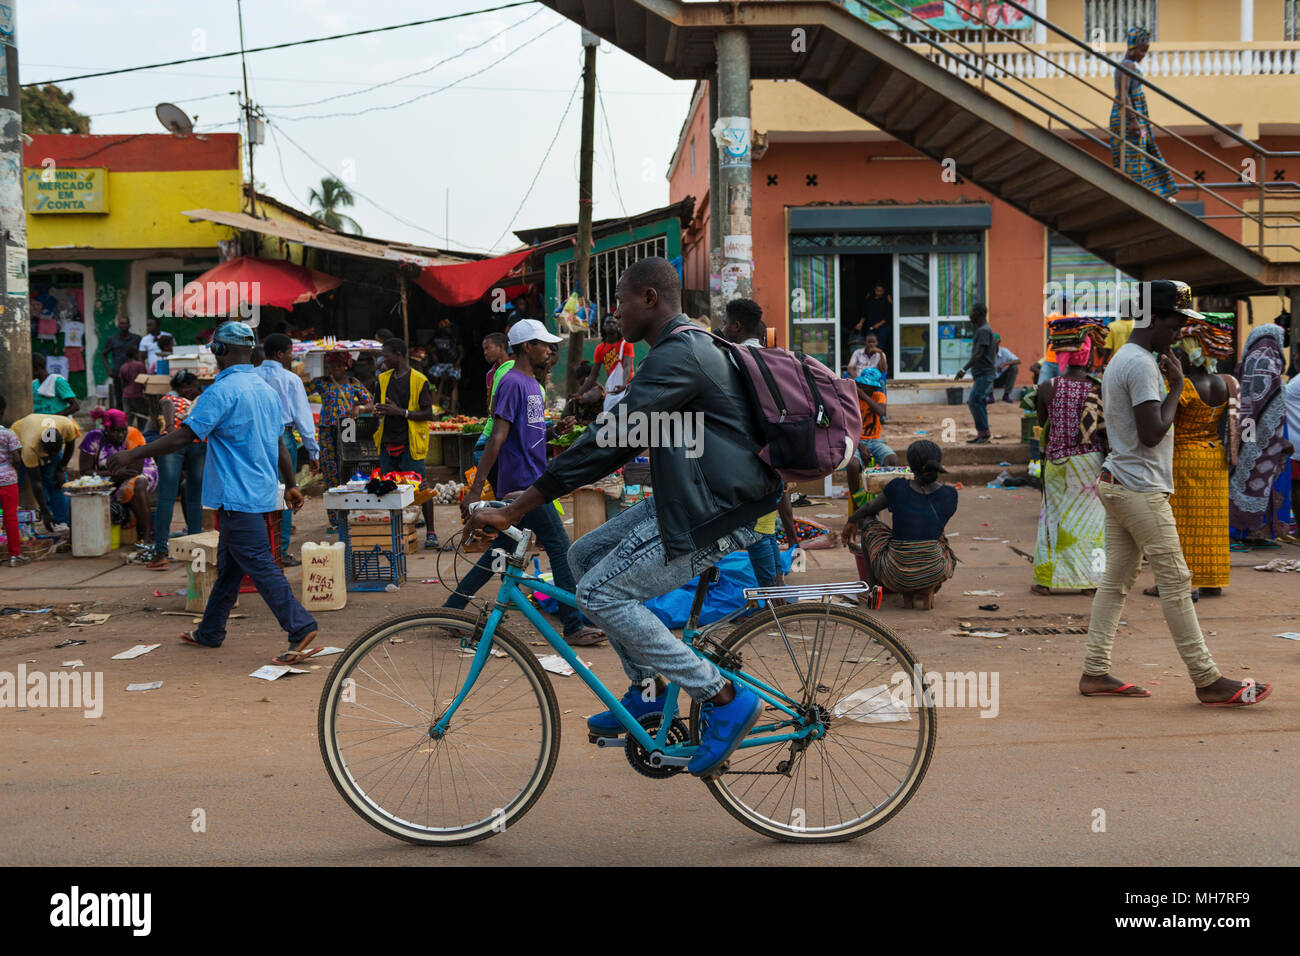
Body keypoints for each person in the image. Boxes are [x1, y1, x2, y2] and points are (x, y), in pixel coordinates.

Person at [467, 257, 782, 779]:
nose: (614, 312)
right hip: (694, 498)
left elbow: (614, 438)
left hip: (719, 510)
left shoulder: (680, 353)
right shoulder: (681, 348)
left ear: (650, 299)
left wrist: (521, 506)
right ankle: (650, 693)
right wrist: (534, 492)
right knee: (582, 554)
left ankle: (722, 696)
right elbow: (617, 439)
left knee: (597, 593)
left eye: (620, 300)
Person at [1080, 280, 1268, 706]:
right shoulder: (1143, 365)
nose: (1181, 330)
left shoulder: (1123, 358)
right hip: (1139, 487)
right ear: (1154, 318)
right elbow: (1151, 434)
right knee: (1177, 579)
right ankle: (1207, 680)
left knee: (1116, 581)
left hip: (1119, 481)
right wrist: (1178, 387)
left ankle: (1095, 672)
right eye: (1176, 321)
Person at [109, 321, 321, 665]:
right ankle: (210, 631)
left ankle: (300, 626)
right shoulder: (265, 390)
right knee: (230, 568)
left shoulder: (221, 393)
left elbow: (182, 438)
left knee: (258, 564)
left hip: (237, 495)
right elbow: (281, 443)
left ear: (220, 351)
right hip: (259, 490)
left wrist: (133, 453)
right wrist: (291, 484)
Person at [446, 319, 604, 645]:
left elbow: (527, 436)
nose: (549, 350)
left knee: (501, 549)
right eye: (543, 344)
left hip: (535, 478)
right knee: (560, 546)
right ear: (527, 347)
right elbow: (498, 437)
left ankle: (452, 609)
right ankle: (573, 625)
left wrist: (553, 432)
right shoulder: (513, 383)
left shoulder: (534, 385)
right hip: (523, 484)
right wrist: (476, 487)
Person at [1142, 326, 1235, 601]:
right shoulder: (1223, 383)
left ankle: (1175, 581)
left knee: (1180, 524)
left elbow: (1163, 419)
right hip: (1214, 456)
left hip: (1184, 457)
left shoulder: (1182, 387)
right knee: (1212, 522)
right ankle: (1212, 580)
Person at [720, 299, 802, 591]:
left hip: (749, 454)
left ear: (738, 326)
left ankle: (772, 596)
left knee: (754, 527)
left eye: (726, 321)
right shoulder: (770, 356)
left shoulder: (735, 358)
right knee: (764, 524)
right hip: (774, 449)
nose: (723, 326)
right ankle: (775, 589)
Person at [1031, 338, 1105, 595]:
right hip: (1090, 462)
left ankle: (1045, 582)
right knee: (1092, 523)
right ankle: (1091, 582)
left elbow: (1044, 426)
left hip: (1057, 461)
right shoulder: (1099, 388)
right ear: (1087, 356)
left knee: (1051, 518)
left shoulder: (1046, 387)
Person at [843, 440, 958, 597]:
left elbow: (869, 509)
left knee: (867, 521)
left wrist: (851, 520)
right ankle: (928, 585)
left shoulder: (898, 487)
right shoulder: (950, 494)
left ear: (909, 466)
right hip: (936, 571)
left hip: (895, 574)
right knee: (941, 536)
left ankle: (872, 589)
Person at [356, 338, 438, 549]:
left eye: (387, 355)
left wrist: (400, 412)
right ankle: (396, 532)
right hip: (387, 441)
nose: (383, 359)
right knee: (388, 489)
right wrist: (376, 411)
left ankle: (431, 532)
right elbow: (377, 405)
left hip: (411, 443)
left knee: (421, 488)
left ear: (399, 355)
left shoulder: (419, 380)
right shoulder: (382, 379)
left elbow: (428, 413)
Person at [254, 333, 321, 566]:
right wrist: (313, 452)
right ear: (280, 354)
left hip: (255, 438)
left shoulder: (251, 376)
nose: (292, 356)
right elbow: (303, 419)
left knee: (260, 492)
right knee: (287, 492)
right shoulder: (290, 379)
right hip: (282, 437)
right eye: (290, 351)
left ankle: (261, 549)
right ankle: (279, 552)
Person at [1229, 323, 1293, 548]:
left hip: (1263, 434)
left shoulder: (1258, 358)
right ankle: (1241, 532)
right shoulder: (1264, 359)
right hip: (1262, 434)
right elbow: (1261, 400)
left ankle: (1256, 534)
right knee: (1253, 481)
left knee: (1261, 483)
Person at [306, 350, 373, 530]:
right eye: (332, 365)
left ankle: (351, 514)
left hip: (347, 429)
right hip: (327, 430)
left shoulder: (353, 383)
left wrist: (359, 408)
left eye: (338, 365)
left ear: (346, 366)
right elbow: (301, 390)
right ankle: (335, 519)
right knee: (330, 470)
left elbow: (371, 403)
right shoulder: (322, 383)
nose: (335, 369)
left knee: (349, 468)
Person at [1109, 26, 1177, 201]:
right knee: (1136, 155)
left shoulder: (1130, 65)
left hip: (1137, 118)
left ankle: (1159, 192)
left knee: (1145, 151)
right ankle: (1146, 195)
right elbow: (1123, 96)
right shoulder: (1126, 66)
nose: (1143, 54)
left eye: (1145, 51)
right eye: (1142, 50)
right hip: (1130, 119)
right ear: (1132, 47)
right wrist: (1133, 121)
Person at [147, 372, 206, 570]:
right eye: (190, 386)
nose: (193, 390)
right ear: (181, 387)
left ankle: (161, 553)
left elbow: (167, 407)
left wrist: (171, 428)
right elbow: (167, 406)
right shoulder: (172, 398)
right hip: (194, 442)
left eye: (195, 386)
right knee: (192, 498)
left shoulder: (192, 400)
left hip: (179, 444)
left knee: (168, 497)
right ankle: (195, 549)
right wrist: (171, 424)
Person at [80, 407, 157, 549]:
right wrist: (113, 475)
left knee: (137, 484)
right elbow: (85, 471)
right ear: (107, 429)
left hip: (144, 472)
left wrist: (115, 475)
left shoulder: (134, 435)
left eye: (123, 430)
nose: (121, 435)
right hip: (109, 477)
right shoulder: (93, 438)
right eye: (116, 431)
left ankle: (147, 534)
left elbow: (135, 470)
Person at [11, 411, 79, 532]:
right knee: (13, 484)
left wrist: (61, 468)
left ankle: (62, 521)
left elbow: (70, 445)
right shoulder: (29, 446)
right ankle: (5, 522)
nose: (51, 456)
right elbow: (36, 482)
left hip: (38, 432)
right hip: (19, 442)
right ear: (41, 445)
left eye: (55, 451)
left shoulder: (67, 426)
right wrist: (45, 511)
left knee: (56, 483)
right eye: (49, 452)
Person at [846, 367, 898, 512]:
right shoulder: (851, 398)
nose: (864, 388)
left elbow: (881, 413)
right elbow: (846, 425)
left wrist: (862, 394)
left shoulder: (878, 395)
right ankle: (858, 507)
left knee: (892, 460)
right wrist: (858, 445)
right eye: (862, 385)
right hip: (855, 441)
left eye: (868, 386)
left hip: (876, 440)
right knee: (852, 465)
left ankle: (884, 502)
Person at [954, 303, 995, 443]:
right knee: (978, 402)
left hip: (984, 374)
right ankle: (982, 434)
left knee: (974, 401)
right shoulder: (982, 330)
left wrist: (963, 369)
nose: (969, 315)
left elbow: (978, 354)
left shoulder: (983, 330)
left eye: (971, 312)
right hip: (983, 374)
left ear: (978, 313)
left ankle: (984, 434)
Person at [580, 315, 635, 414]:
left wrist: (623, 385)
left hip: (627, 387)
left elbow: (627, 366)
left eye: (614, 322)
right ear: (603, 326)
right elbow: (593, 375)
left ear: (618, 325)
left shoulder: (625, 344)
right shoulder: (600, 348)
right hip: (612, 388)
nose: (611, 325)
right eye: (608, 323)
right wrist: (579, 393)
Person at [474, 332, 514, 467]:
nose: (485, 353)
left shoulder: (512, 370)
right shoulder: (491, 374)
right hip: (492, 427)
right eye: (484, 349)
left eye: (488, 348)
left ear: (501, 347)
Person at [0, 395, 26, 566]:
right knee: (10, 517)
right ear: (2, 412)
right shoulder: (8, 434)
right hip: (8, 480)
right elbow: (16, 458)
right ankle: (14, 556)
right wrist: (13, 470)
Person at [101, 315, 141, 411]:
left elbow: (141, 354)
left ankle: (134, 420)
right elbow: (103, 354)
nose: (124, 325)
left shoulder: (137, 338)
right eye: (122, 323)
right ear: (118, 325)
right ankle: (120, 420)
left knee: (136, 397)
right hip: (118, 374)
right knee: (119, 398)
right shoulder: (112, 339)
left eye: (126, 323)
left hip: (135, 374)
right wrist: (109, 370)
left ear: (129, 325)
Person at [429, 318, 464, 413]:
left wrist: (457, 363)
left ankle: (452, 408)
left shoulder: (455, 339)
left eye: (450, 327)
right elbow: (431, 351)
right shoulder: (435, 340)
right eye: (447, 328)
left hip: (453, 364)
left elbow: (461, 352)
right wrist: (435, 358)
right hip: (440, 364)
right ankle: (435, 408)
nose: (449, 329)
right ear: (442, 329)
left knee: (454, 380)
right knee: (434, 380)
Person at [31, 352, 79, 417]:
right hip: (39, 424)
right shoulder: (34, 384)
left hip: (55, 425)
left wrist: (54, 418)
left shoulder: (57, 381)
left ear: (36, 368)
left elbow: (75, 406)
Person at [851, 281, 891, 352]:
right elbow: (865, 312)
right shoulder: (870, 298)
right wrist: (861, 323)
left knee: (880, 345)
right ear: (874, 290)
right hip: (871, 325)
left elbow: (889, 314)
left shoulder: (887, 298)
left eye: (880, 291)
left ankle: (879, 360)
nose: (878, 293)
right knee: (870, 344)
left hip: (883, 326)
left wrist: (879, 324)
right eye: (877, 290)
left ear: (884, 291)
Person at [117, 349, 150, 432]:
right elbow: (144, 380)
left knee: (128, 418)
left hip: (126, 394)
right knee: (142, 417)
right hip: (138, 394)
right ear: (135, 354)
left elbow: (122, 383)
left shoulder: (123, 366)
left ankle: (126, 435)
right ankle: (142, 435)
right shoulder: (140, 365)